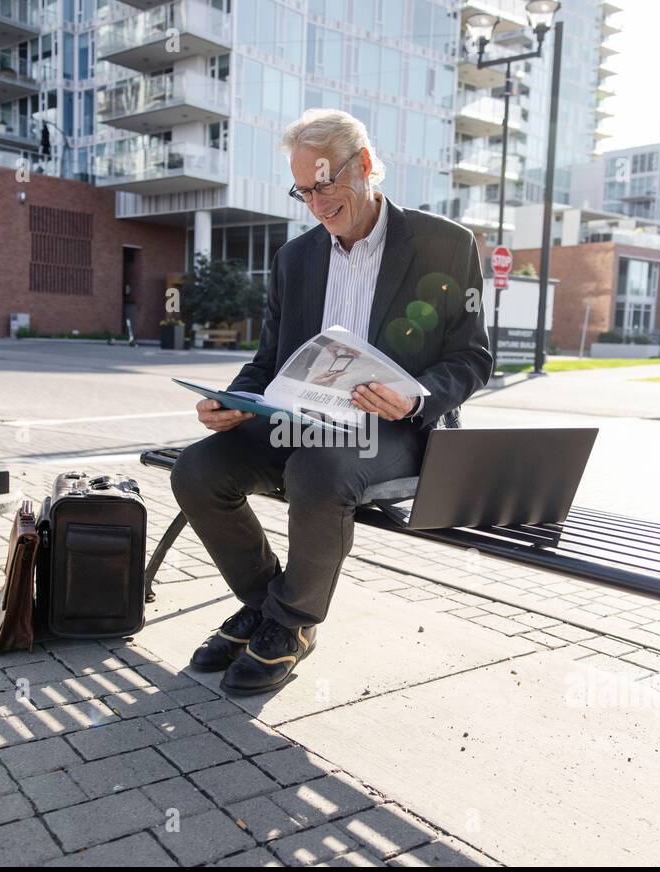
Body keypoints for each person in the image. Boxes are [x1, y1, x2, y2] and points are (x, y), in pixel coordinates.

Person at [169, 109, 492, 696]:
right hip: (303, 421)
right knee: (197, 468)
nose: (316, 202)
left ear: (365, 165)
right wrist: (233, 401)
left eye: (325, 183)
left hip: (394, 430)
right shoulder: (296, 258)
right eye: (303, 190)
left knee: (317, 468)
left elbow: (472, 359)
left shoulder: (445, 245)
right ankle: (269, 605)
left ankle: (290, 625)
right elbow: (269, 361)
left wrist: (412, 396)